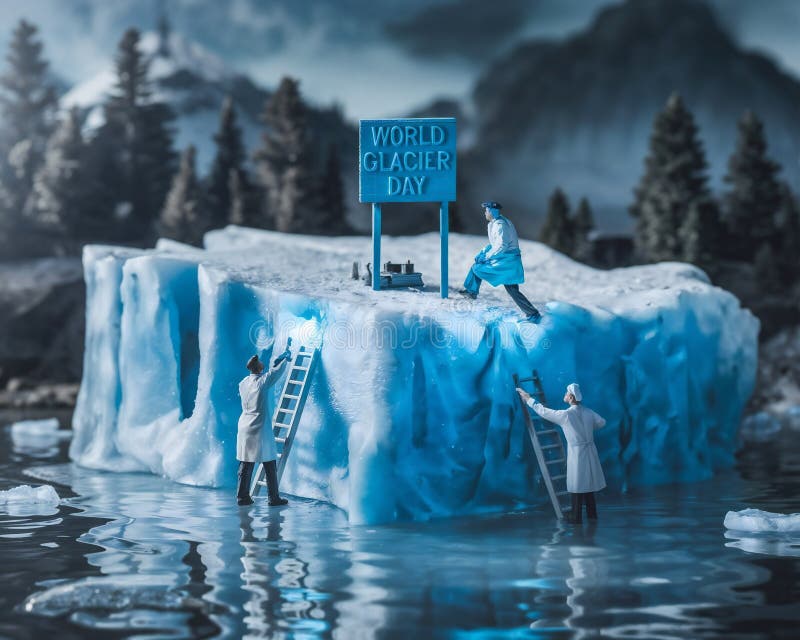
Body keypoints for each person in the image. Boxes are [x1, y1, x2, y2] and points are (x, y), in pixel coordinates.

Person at [516, 383, 606, 523]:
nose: (564, 395)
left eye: (566, 393)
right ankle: (591, 514)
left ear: (570, 397)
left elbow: (544, 411)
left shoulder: (566, 415)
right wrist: (587, 431)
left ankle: (576, 517)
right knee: (588, 484)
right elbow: (601, 422)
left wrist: (528, 399)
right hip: (590, 450)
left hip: (577, 452)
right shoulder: (589, 412)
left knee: (577, 484)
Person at [459, 201, 541, 322]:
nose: (485, 213)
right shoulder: (497, 223)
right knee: (512, 289)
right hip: (507, 259)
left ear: (492, 211)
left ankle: (471, 292)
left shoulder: (500, 225)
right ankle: (532, 313)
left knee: (477, 268)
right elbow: (495, 243)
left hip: (507, 260)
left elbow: (502, 245)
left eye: (486, 210)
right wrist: (484, 251)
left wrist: (486, 257)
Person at [236, 347, 292, 506]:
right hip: (258, 427)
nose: (262, 364)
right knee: (269, 462)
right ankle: (273, 497)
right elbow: (275, 373)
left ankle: (242, 496)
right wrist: (286, 359)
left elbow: (269, 372)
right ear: (257, 367)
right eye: (260, 363)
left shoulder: (243, 383)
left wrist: (278, 360)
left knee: (245, 463)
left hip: (244, 425)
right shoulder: (262, 382)